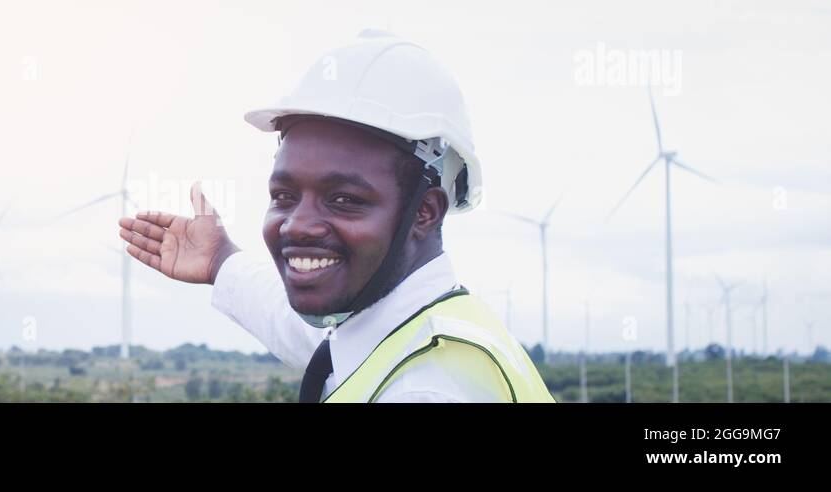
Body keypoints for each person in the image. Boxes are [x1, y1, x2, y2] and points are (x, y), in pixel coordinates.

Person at [118, 31, 553, 403]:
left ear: (425, 211)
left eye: (343, 199)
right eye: (284, 195)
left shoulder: (427, 388)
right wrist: (221, 262)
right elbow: (309, 336)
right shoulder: (416, 332)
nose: (297, 225)